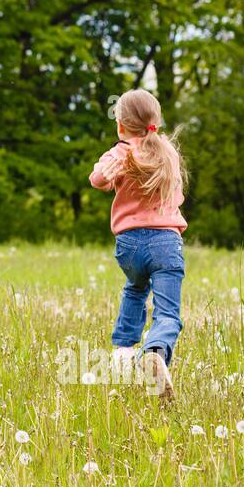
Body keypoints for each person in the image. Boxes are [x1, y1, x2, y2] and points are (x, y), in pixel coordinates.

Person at [89, 88, 187, 399]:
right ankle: (156, 350)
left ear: (120, 125)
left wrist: (106, 173)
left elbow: (97, 180)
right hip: (166, 243)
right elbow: (179, 195)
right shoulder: (167, 153)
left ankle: (122, 351)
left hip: (129, 244)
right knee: (168, 312)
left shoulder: (120, 151)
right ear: (155, 122)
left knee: (135, 288)